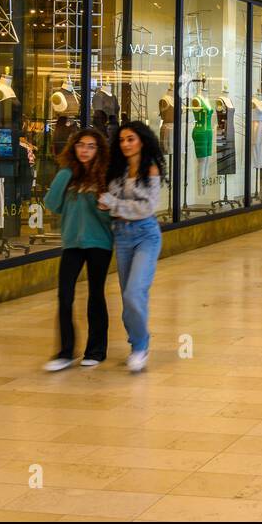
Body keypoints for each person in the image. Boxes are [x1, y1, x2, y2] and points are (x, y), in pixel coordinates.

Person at [41, 129, 115, 372]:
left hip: (99, 243)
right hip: (72, 243)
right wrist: (66, 173)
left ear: (99, 150)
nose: (85, 150)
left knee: (95, 294)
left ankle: (96, 350)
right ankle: (65, 351)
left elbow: (111, 213)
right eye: (81, 145)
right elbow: (52, 204)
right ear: (74, 147)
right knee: (65, 295)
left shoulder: (105, 175)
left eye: (91, 146)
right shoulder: (67, 174)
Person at [98, 120, 164, 373]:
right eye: (122, 140)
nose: (126, 144)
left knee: (134, 293)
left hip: (146, 235)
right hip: (122, 236)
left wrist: (112, 203)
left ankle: (140, 346)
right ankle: (136, 342)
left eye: (131, 139)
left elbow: (146, 208)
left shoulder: (151, 169)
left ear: (142, 141)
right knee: (130, 296)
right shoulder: (116, 168)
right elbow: (102, 199)